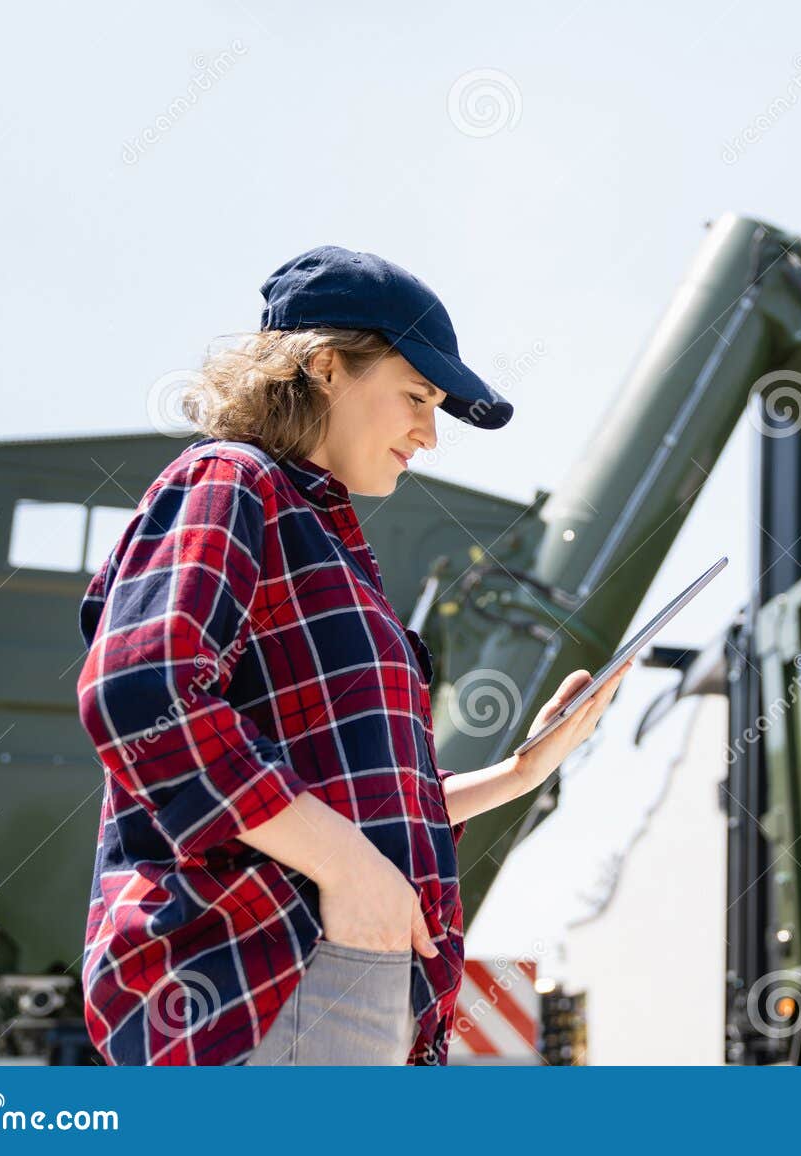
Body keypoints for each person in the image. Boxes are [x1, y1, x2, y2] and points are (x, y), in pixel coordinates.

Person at [75, 246, 628, 1066]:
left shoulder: (323, 535)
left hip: (326, 971)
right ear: (326, 367)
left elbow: (349, 800)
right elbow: (143, 694)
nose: (431, 434)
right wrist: (354, 875)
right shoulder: (231, 480)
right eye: (417, 396)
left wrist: (520, 773)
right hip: (263, 964)